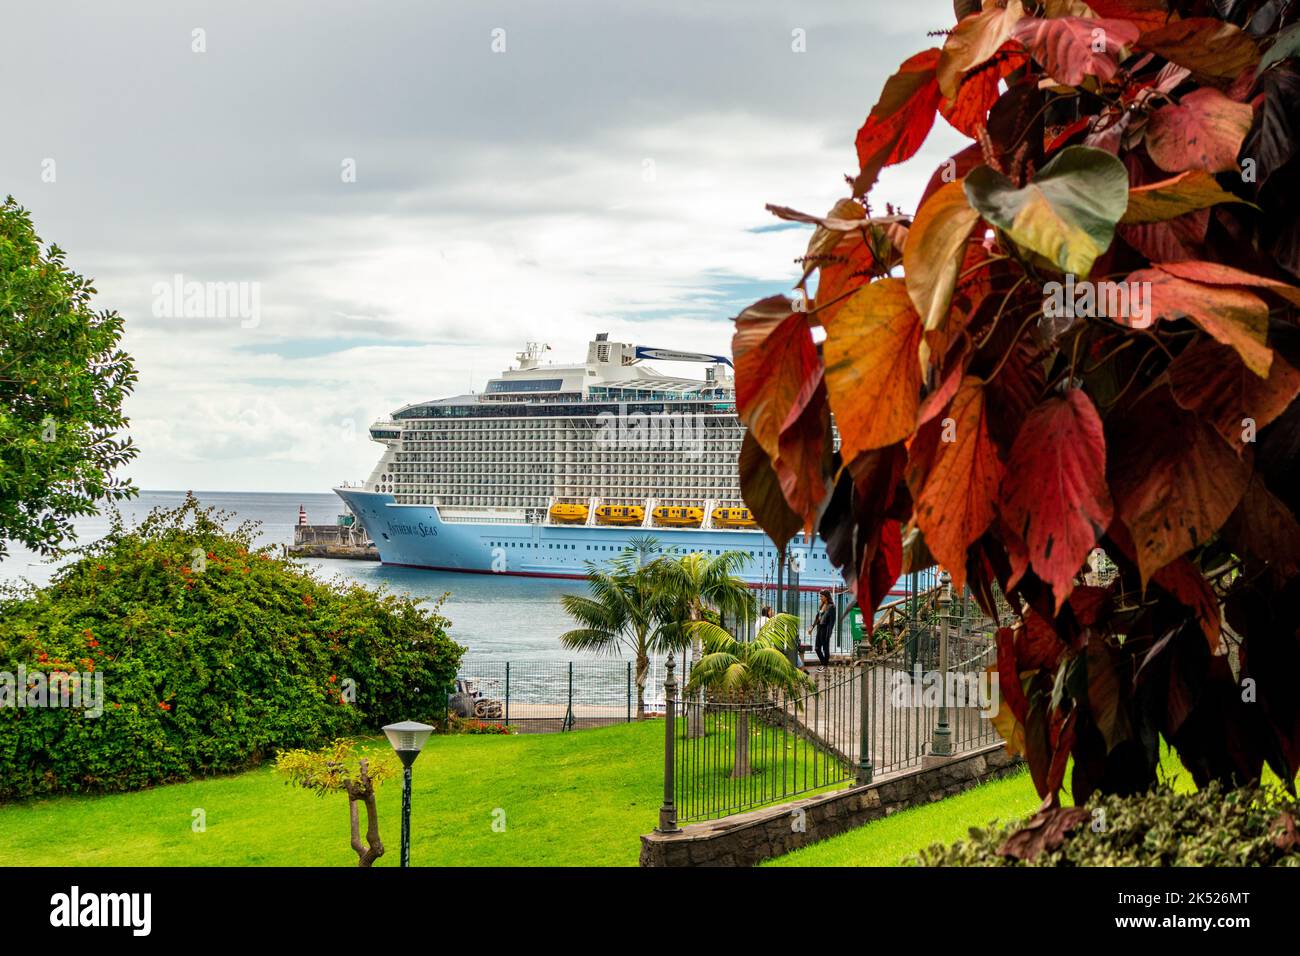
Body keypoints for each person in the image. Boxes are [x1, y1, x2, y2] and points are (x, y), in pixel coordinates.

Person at [807, 590, 836, 668]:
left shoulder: (831, 607)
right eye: (820, 596)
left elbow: (832, 622)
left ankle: (824, 665)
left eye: (821, 596)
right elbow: (817, 618)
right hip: (820, 628)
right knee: (817, 648)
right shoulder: (822, 605)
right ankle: (824, 664)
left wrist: (829, 633)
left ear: (826, 597)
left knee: (825, 648)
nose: (820, 598)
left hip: (825, 629)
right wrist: (812, 627)